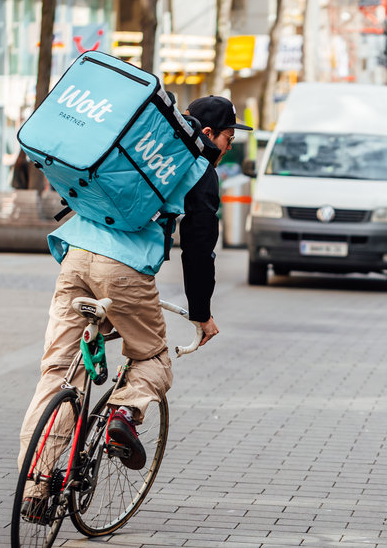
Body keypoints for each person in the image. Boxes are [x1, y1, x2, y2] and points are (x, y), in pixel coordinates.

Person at [17, 94, 250, 522]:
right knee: (152, 358)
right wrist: (201, 312)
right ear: (207, 133)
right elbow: (199, 249)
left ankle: (35, 489)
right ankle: (123, 414)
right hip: (123, 272)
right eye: (229, 136)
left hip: (76, 252)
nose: (230, 145)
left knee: (57, 371)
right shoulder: (198, 170)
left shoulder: (136, 146)